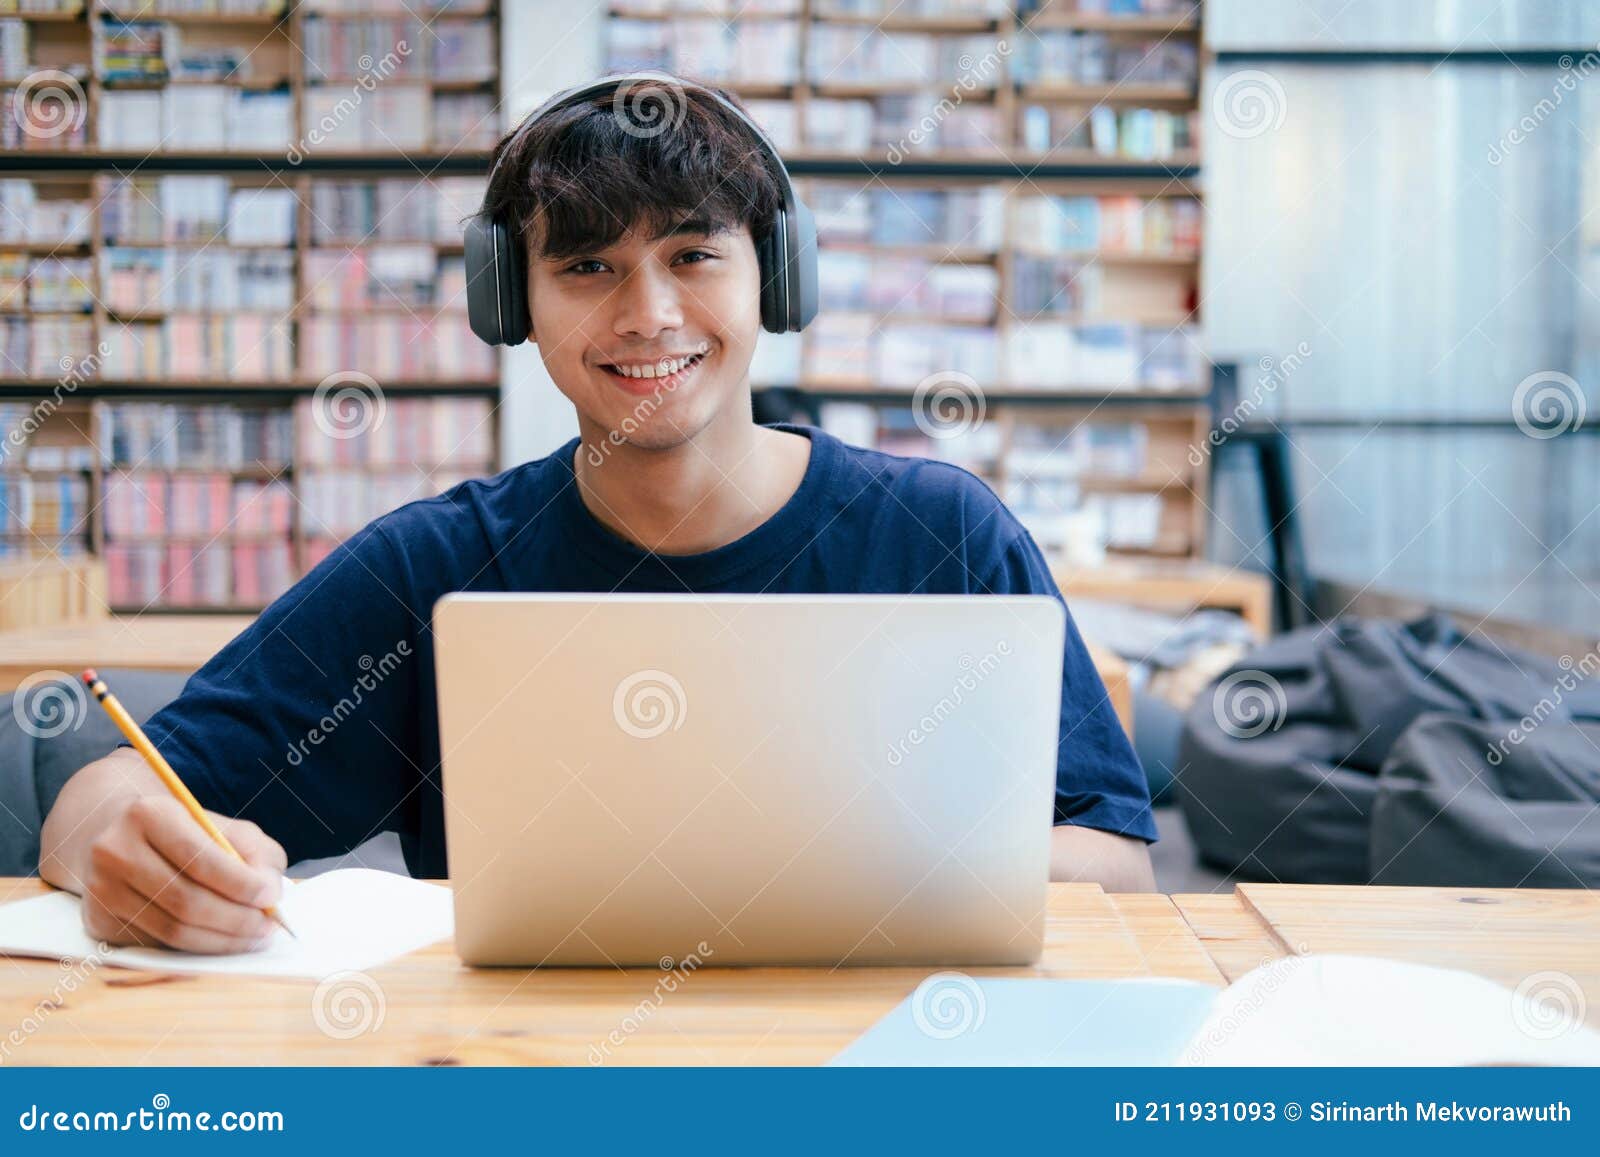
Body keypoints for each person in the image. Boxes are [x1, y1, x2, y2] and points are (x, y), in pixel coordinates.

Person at [39, 73, 1156, 955]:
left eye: (691, 254)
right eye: (586, 265)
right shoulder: (438, 565)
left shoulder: (939, 534)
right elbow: (106, 791)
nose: (649, 314)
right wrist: (119, 850)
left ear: (773, 278)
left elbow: (1119, 867)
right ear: (509, 302)